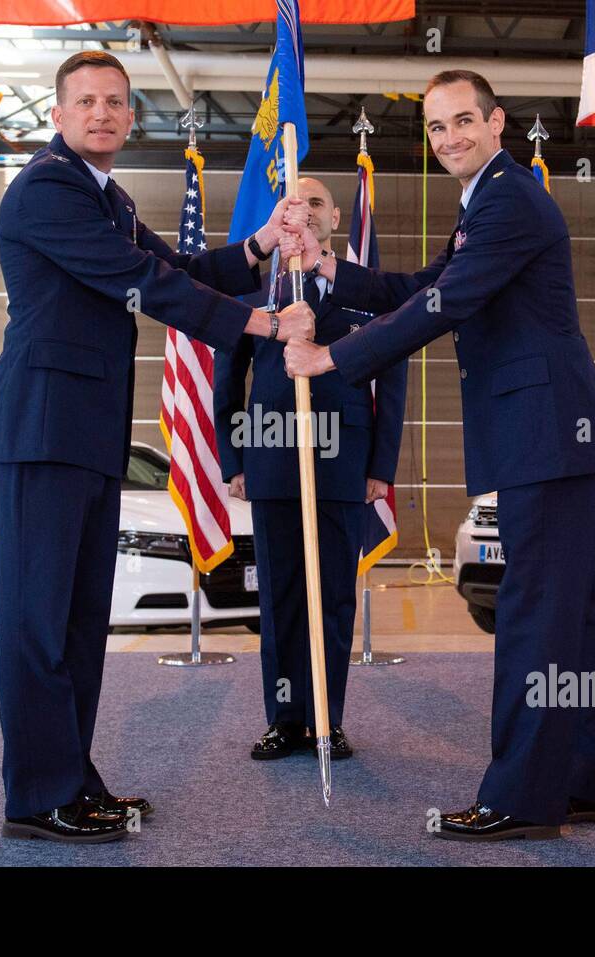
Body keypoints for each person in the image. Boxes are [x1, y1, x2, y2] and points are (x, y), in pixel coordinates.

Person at [284, 70, 595, 841]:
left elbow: (441, 307)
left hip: (543, 435)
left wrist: (332, 360)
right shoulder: (485, 202)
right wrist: (324, 268)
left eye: (463, 121)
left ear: (498, 121)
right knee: (575, 618)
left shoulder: (508, 197)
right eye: (438, 127)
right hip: (551, 433)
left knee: (534, 617)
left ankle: (522, 796)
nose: (449, 138)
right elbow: (420, 285)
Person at [0, 50, 315, 845]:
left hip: (88, 433)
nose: (101, 113)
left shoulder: (108, 194)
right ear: (57, 116)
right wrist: (261, 324)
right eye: (86, 101)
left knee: (76, 622)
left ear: (133, 118)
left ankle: (72, 781)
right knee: (37, 622)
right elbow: (143, 280)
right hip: (41, 430)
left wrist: (264, 240)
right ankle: (36, 797)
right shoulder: (49, 190)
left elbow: (184, 267)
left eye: (115, 103)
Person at [213, 177, 407, 764]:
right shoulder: (256, 293)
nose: (305, 210)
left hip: (343, 463)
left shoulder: (363, 290)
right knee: (280, 597)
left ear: (334, 216)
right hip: (271, 460)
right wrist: (233, 457)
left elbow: (392, 379)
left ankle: (328, 720)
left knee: (332, 599)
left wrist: (382, 465)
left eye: (316, 201)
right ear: (281, 215)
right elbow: (228, 380)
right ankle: (285, 719)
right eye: (294, 202)